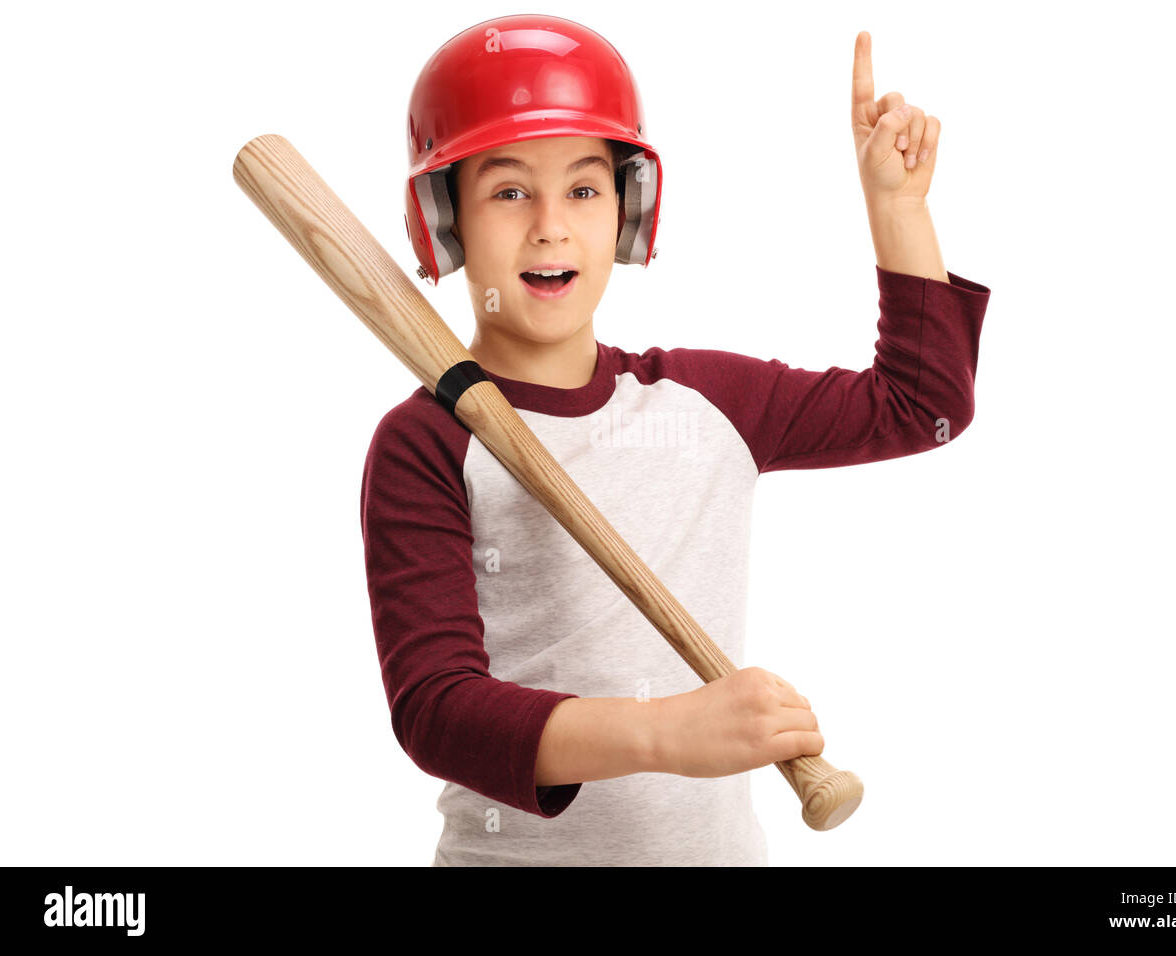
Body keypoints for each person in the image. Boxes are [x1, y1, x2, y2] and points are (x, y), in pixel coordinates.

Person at [360, 15, 991, 865]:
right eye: (509, 191)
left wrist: (896, 209)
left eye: (584, 189)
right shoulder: (424, 443)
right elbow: (438, 711)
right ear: (446, 222)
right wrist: (661, 733)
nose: (551, 226)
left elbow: (923, 405)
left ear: (628, 210)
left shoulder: (703, 402)